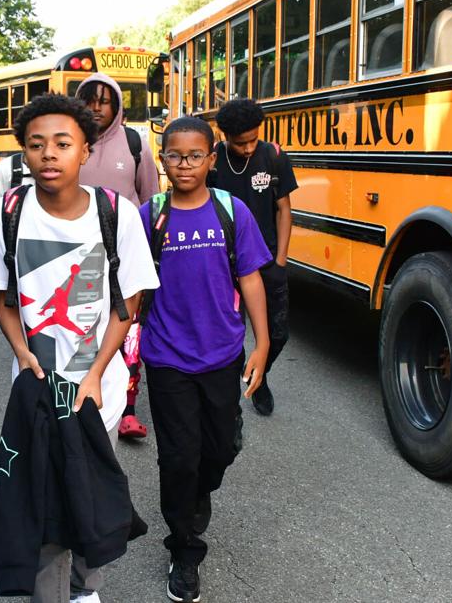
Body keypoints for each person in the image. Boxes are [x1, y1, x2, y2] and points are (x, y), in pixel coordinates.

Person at [0, 94, 159, 603]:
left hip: (98, 388)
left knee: (89, 490)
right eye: (36, 145)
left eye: (62, 143)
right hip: (37, 385)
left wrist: (97, 372)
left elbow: (128, 303)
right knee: (44, 495)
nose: (49, 154)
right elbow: (5, 301)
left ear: (85, 150)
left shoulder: (116, 213)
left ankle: (84, 586)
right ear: (24, 153)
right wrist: (23, 354)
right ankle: (53, 594)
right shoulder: (8, 213)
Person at [139, 116, 271, 603]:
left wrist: (262, 344)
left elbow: (251, 277)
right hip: (166, 357)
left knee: (217, 451)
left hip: (221, 354)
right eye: (175, 156)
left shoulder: (231, 211)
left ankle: (197, 491)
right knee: (178, 458)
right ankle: (184, 549)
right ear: (163, 160)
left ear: (211, 160)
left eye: (195, 155)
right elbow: (132, 285)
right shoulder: (150, 215)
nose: (185, 164)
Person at [75, 74, 160, 439]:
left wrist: (148, 254)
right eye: (89, 99)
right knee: (83, 323)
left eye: (104, 100)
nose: (96, 107)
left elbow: (151, 200)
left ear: (117, 105)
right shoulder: (71, 143)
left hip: (125, 257)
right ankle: (82, 390)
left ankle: (127, 407)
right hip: (79, 256)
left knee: (128, 329)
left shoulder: (134, 144)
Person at [210, 98, 297, 416]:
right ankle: (231, 401)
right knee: (229, 335)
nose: (248, 149)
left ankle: (259, 376)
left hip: (267, 260)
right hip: (225, 263)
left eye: (253, 140)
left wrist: (281, 261)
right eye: (240, 143)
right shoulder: (213, 161)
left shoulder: (273, 156)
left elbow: (284, 209)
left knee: (278, 334)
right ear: (225, 137)